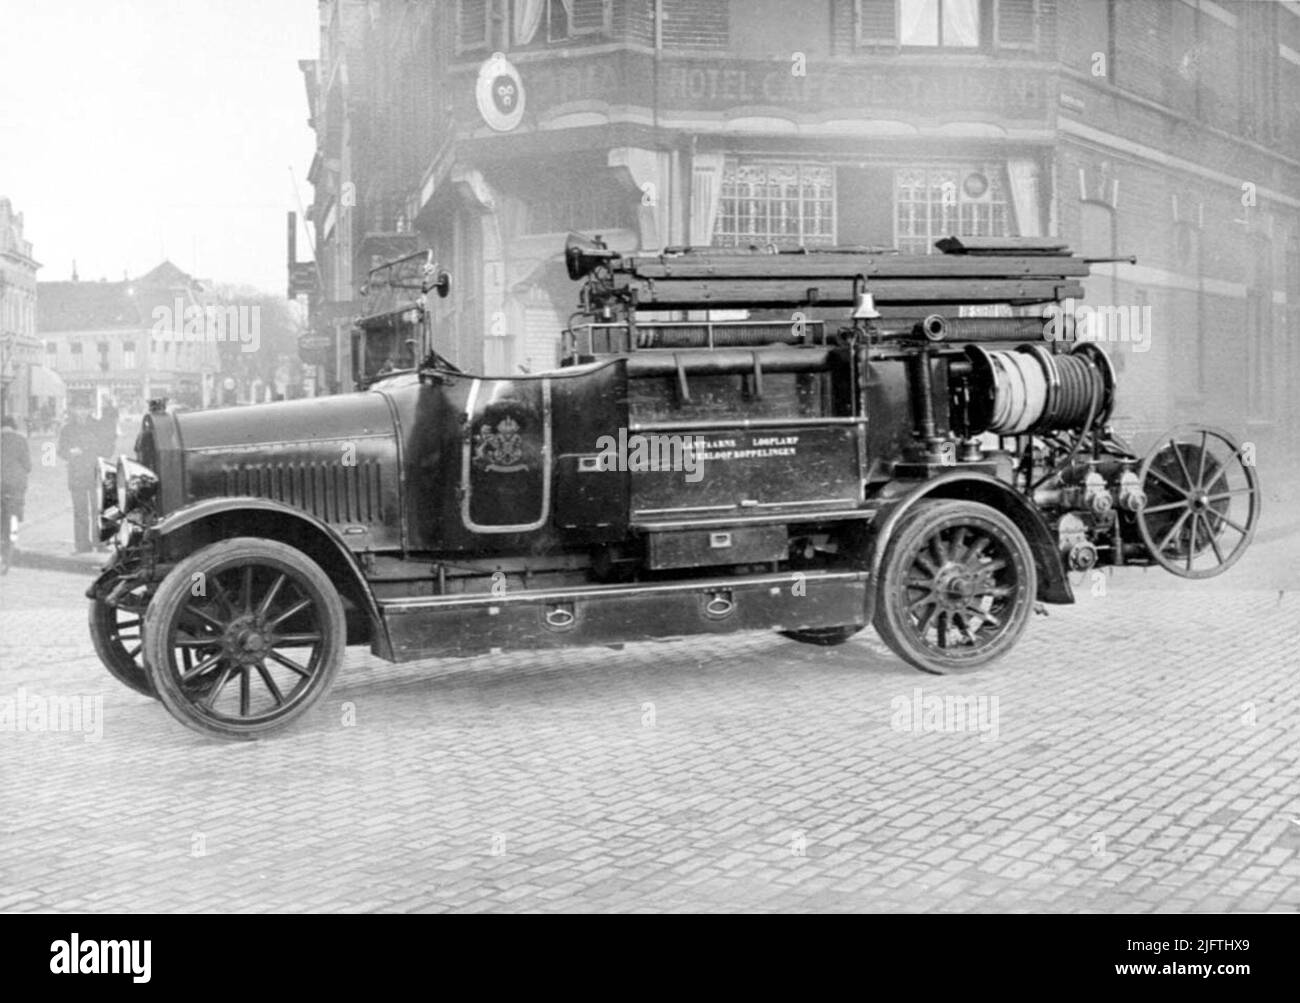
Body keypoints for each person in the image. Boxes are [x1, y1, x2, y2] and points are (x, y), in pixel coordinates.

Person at [57, 404, 101, 553]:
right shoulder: (67, 429)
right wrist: (69, 452)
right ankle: (82, 545)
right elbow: (60, 451)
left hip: (96, 473)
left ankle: (100, 542)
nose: (81, 412)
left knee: (99, 509)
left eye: (85, 408)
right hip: (76, 474)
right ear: (73, 410)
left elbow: (107, 447)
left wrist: (92, 449)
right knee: (80, 511)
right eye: (79, 408)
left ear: (90, 410)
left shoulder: (97, 426)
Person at [0, 415, 31, 573]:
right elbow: (28, 465)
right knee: (13, 513)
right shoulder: (21, 440)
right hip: (16, 485)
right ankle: (11, 545)